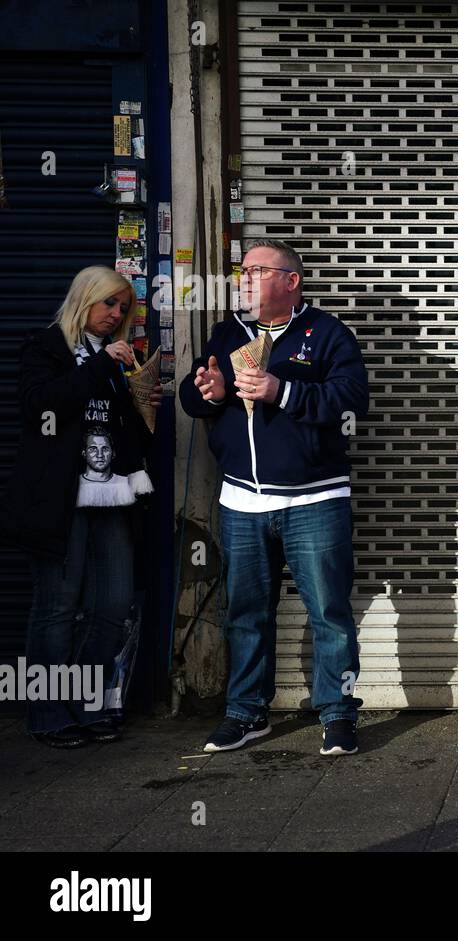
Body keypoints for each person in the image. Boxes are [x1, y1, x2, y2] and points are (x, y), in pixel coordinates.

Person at [179, 238, 369, 756]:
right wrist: (207, 392)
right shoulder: (227, 333)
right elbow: (192, 399)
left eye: (258, 270)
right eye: (242, 270)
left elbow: (353, 399)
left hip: (314, 499)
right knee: (246, 612)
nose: (244, 278)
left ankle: (338, 713)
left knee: (328, 611)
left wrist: (281, 392)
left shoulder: (326, 334)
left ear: (291, 281)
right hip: (243, 501)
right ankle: (246, 713)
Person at [2, 265, 159, 747]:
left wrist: (140, 402)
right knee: (57, 607)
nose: (115, 314)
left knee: (112, 604)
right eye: (107, 303)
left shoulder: (117, 358)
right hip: (60, 499)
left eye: (123, 307)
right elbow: (41, 407)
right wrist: (98, 369)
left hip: (111, 492)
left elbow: (116, 426)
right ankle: (48, 714)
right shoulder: (46, 347)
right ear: (83, 299)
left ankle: (88, 703)